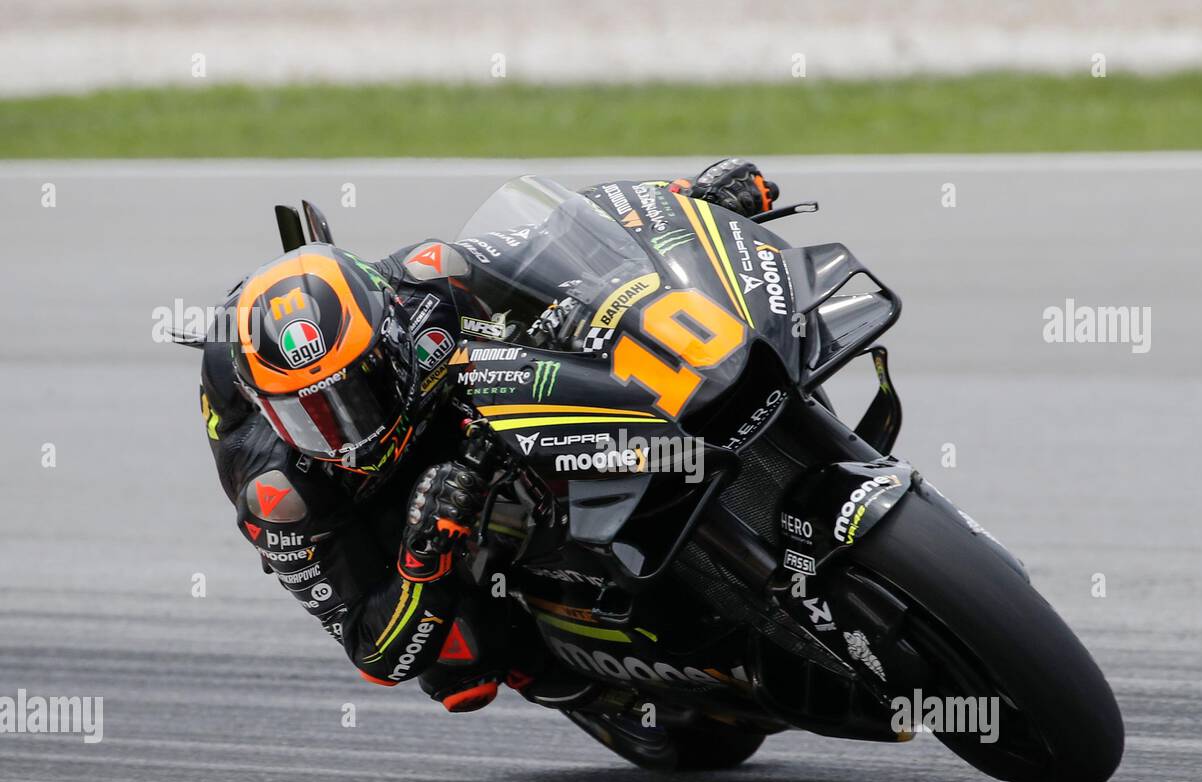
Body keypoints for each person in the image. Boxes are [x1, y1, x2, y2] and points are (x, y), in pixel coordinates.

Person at [197, 159, 779, 716]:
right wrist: (423, 559)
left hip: (456, 396)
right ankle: (602, 692)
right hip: (374, 504)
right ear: (267, 409)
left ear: (390, 338)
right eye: (309, 416)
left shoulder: (427, 279)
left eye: (355, 396)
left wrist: (685, 203)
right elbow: (375, 652)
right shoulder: (279, 493)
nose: (345, 433)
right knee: (461, 664)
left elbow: (564, 235)